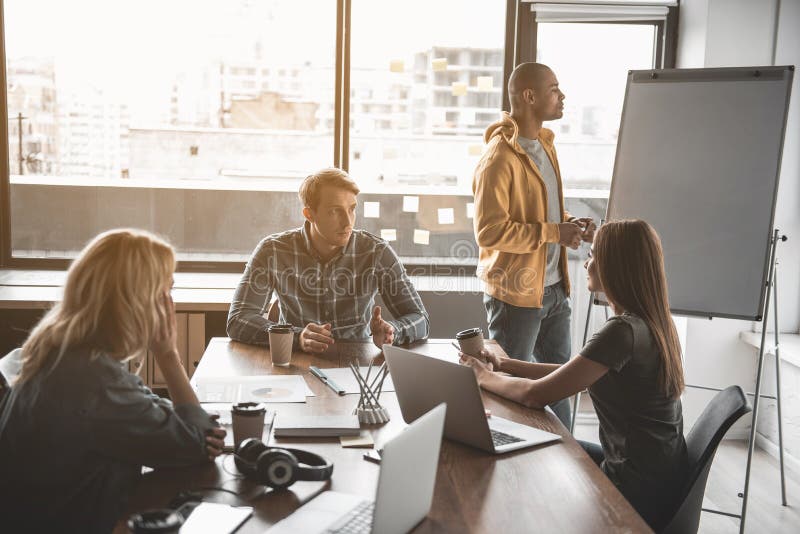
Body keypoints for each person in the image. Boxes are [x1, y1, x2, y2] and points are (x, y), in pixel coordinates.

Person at [460, 219, 688, 530]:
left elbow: (535, 395)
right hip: (656, 475)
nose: (587, 264)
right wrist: (505, 365)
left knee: (532, 472)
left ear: (615, 266)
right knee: (547, 446)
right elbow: (575, 373)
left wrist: (480, 376)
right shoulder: (653, 322)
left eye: (594, 256)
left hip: (635, 489)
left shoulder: (621, 332)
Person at [0, 229, 226, 533]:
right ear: (137, 300)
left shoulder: (57, 350)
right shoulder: (94, 379)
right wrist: (169, 355)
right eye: (165, 291)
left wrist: (178, 419)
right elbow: (198, 445)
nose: (170, 303)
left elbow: (142, 404)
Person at [472, 62, 594, 427]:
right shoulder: (497, 159)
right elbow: (490, 233)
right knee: (509, 390)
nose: (562, 96)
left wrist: (568, 223)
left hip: (555, 291)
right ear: (530, 96)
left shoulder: (545, 145)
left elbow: (540, 210)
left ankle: (569, 469)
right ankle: (516, 471)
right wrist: (554, 232)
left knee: (562, 387)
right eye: (555, 89)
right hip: (515, 297)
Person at [227, 167, 429, 352]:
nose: (347, 221)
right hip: (295, 364)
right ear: (309, 214)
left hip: (357, 363)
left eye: (351, 209)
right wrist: (295, 336)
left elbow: (421, 318)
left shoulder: (376, 252)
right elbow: (237, 319)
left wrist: (393, 331)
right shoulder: (273, 251)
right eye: (335, 211)